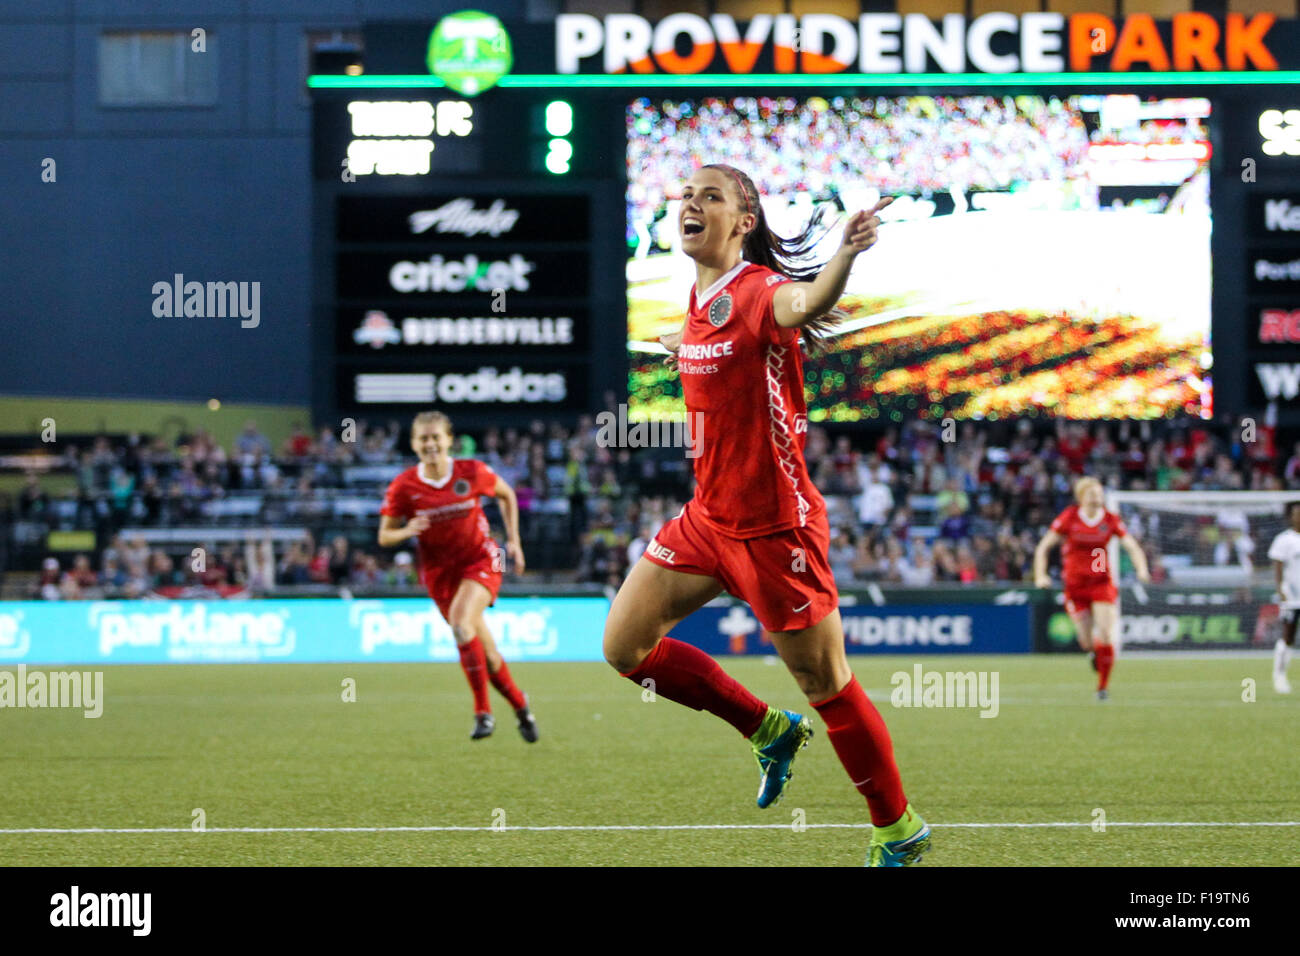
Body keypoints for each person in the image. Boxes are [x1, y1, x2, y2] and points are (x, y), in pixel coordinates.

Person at [602, 164, 930, 867]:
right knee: (624, 648)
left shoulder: (757, 293)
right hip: (707, 522)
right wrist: (675, 344)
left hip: (774, 528)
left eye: (710, 197)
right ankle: (766, 730)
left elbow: (805, 303)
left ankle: (897, 828)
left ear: (743, 222)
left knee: (826, 685)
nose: (692, 203)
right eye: (688, 195)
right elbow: (693, 345)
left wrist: (846, 252)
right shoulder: (698, 303)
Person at [378, 411, 538, 742]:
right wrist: (407, 529)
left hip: (481, 559)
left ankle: (483, 713)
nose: (431, 443)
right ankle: (522, 707)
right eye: (423, 438)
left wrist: (514, 542)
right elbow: (384, 536)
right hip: (440, 574)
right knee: (488, 654)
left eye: (436, 436)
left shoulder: (471, 472)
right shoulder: (404, 487)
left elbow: (507, 495)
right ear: (414, 444)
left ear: (450, 440)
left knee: (461, 624)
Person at [1034, 476, 1150, 700]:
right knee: (1086, 641)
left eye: (1099, 493)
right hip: (1075, 587)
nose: (1097, 497)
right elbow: (1044, 547)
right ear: (1081, 496)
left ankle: (1102, 688)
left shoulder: (1110, 519)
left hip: (1101, 583)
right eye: (1092, 493)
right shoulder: (1069, 517)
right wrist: (1040, 575)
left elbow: (1132, 546)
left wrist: (1142, 569)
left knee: (1106, 633)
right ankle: (1094, 654)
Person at [1265, 502, 1300, 694]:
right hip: (1293, 597)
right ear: (1291, 517)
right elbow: (1277, 569)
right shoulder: (1284, 540)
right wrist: (1281, 591)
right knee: (1288, 635)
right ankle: (1280, 675)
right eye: (1296, 514)